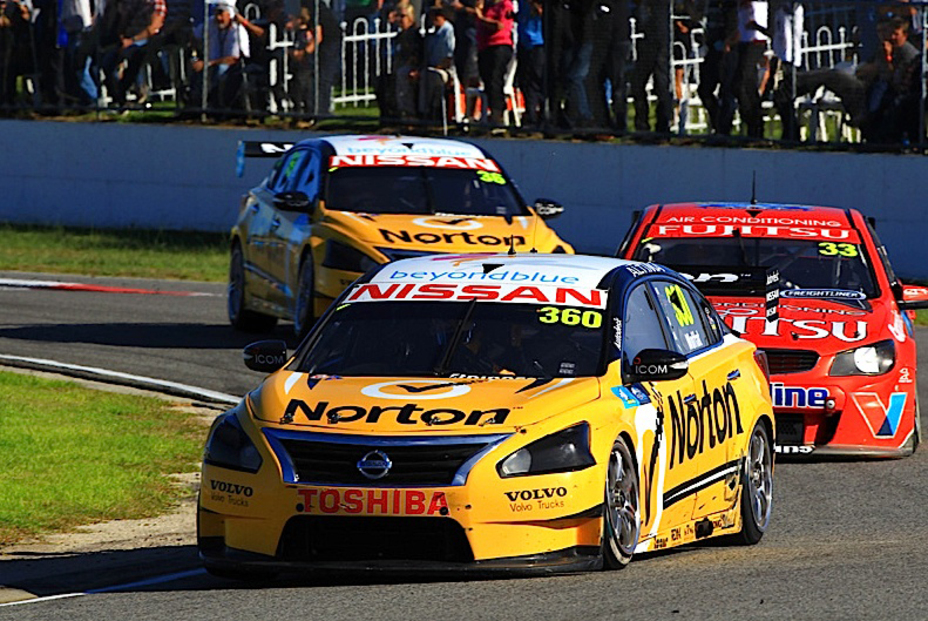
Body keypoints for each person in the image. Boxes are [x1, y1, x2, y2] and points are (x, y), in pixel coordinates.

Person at [190, 0, 249, 109]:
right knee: (194, 69)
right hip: (211, 63)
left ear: (229, 15)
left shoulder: (236, 30)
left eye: (221, 14)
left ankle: (216, 103)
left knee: (220, 70)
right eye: (217, 13)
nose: (218, 18)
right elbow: (194, 36)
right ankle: (194, 103)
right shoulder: (210, 24)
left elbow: (233, 59)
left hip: (232, 67)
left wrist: (207, 64)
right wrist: (196, 55)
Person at [696, 0, 739, 134]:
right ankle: (717, 122)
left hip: (727, 49)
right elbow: (697, 15)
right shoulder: (710, 4)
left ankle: (724, 129)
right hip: (712, 48)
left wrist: (728, 42)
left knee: (726, 91)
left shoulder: (731, 5)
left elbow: (736, 25)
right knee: (704, 90)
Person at [630, 0, 673, 133]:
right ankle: (644, 124)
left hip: (658, 42)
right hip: (648, 41)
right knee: (638, 84)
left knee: (660, 85)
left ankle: (662, 125)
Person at [475, 0, 514, 127]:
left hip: (499, 45)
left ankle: (498, 115)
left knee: (495, 79)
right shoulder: (487, 7)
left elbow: (499, 25)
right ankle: (490, 112)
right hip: (484, 46)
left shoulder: (505, 5)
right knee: (486, 80)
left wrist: (481, 17)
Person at [733, 0, 769, 138]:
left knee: (743, 83)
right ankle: (752, 123)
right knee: (744, 84)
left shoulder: (757, 5)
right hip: (743, 40)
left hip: (755, 41)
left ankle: (755, 124)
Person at [419, 5, 455, 122]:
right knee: (424, 75)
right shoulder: (433, 33)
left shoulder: (448, 31)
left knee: (433, 77)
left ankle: (434, 111)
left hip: (445, 69)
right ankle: (423, 112)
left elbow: (449, 54)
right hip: (432, 67)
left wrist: (440, 66)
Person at [515, 0, 544, 128]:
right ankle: (530, 115)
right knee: (525, 81)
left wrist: (535, 6)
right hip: (524, 41)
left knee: (537, 80)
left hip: (538, 42)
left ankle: (543, 116)